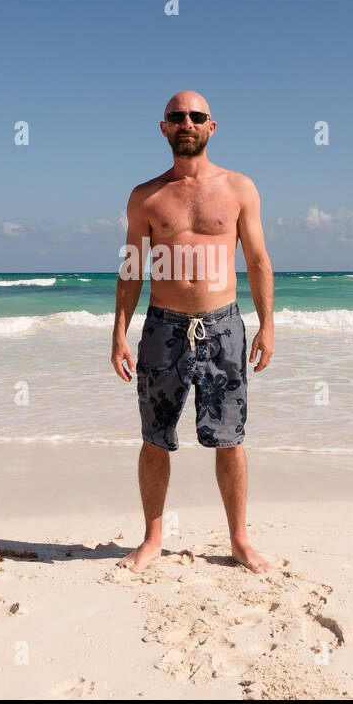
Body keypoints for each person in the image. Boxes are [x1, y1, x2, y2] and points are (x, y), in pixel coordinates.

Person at [110, 90, 275, 573]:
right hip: (163, 328)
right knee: (154, 438)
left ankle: (239, 540)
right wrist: (119, 331)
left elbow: (259, 260)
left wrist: (267, 326)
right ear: (163, 128)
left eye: (196, 116)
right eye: (177, 116)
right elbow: (131, 269)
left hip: (223, 329)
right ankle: (152, 539)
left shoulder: (240, 188)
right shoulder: (146, 197)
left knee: (230, 439)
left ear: (211, 127)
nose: (187, 122)